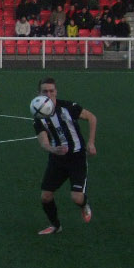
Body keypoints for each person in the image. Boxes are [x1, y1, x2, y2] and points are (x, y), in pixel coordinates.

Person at [34, 76, 98, 235]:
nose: (48, 94)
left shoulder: (68, 107)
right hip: (57, 159)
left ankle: (84, 205)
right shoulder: (39, 116)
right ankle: (55, 225)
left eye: (51, 91)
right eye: (45, 91)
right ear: (39, 93)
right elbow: (43, 141)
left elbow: (92, 118)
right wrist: (52, 149)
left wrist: (91, 142)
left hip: (77, 158)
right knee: (45, 197)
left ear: (56, 92)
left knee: (77, 198)